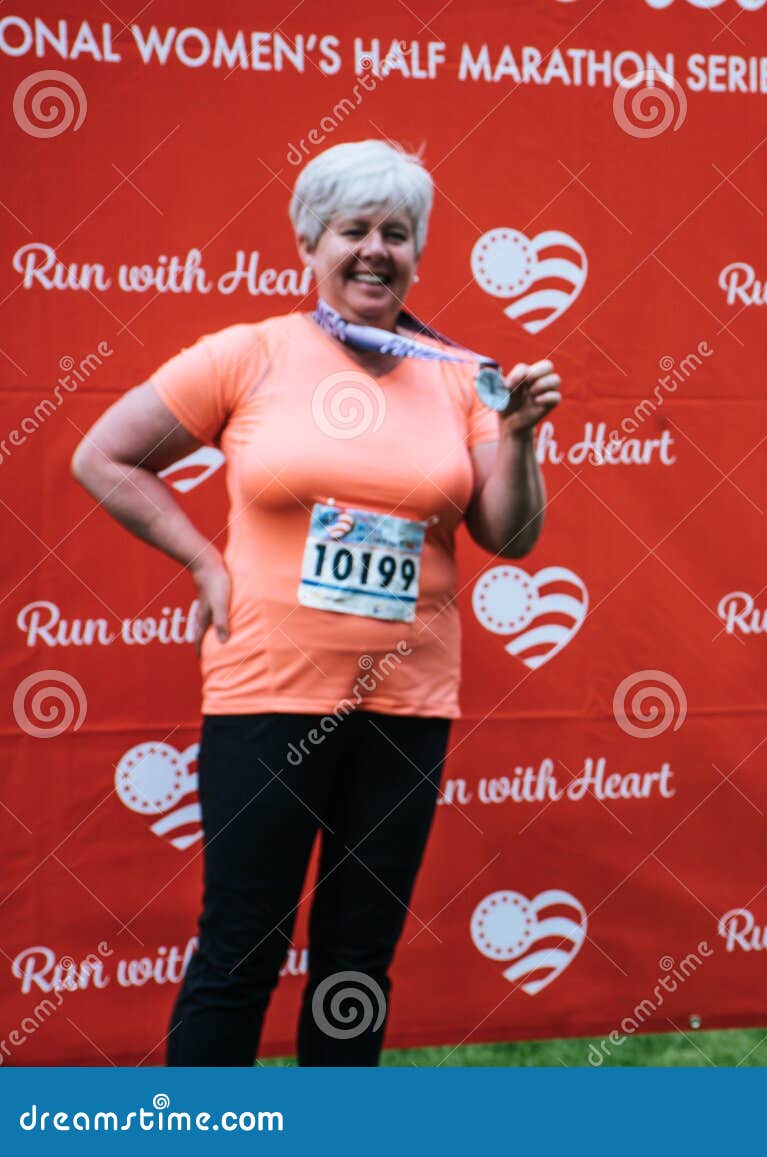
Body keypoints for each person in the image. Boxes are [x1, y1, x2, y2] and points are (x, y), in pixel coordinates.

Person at [72, 139, 560, 1066]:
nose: (376, 249)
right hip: (268, 692)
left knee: (355, 965)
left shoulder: (464, 376)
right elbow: (104, 454)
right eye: (354, 230)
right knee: (240, 950)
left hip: (405, 703)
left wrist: (523, 437)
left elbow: (512, 534)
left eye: (397, 233)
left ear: (420, 252)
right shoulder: (248, 354)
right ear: (310, 242)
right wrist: (204, 566)